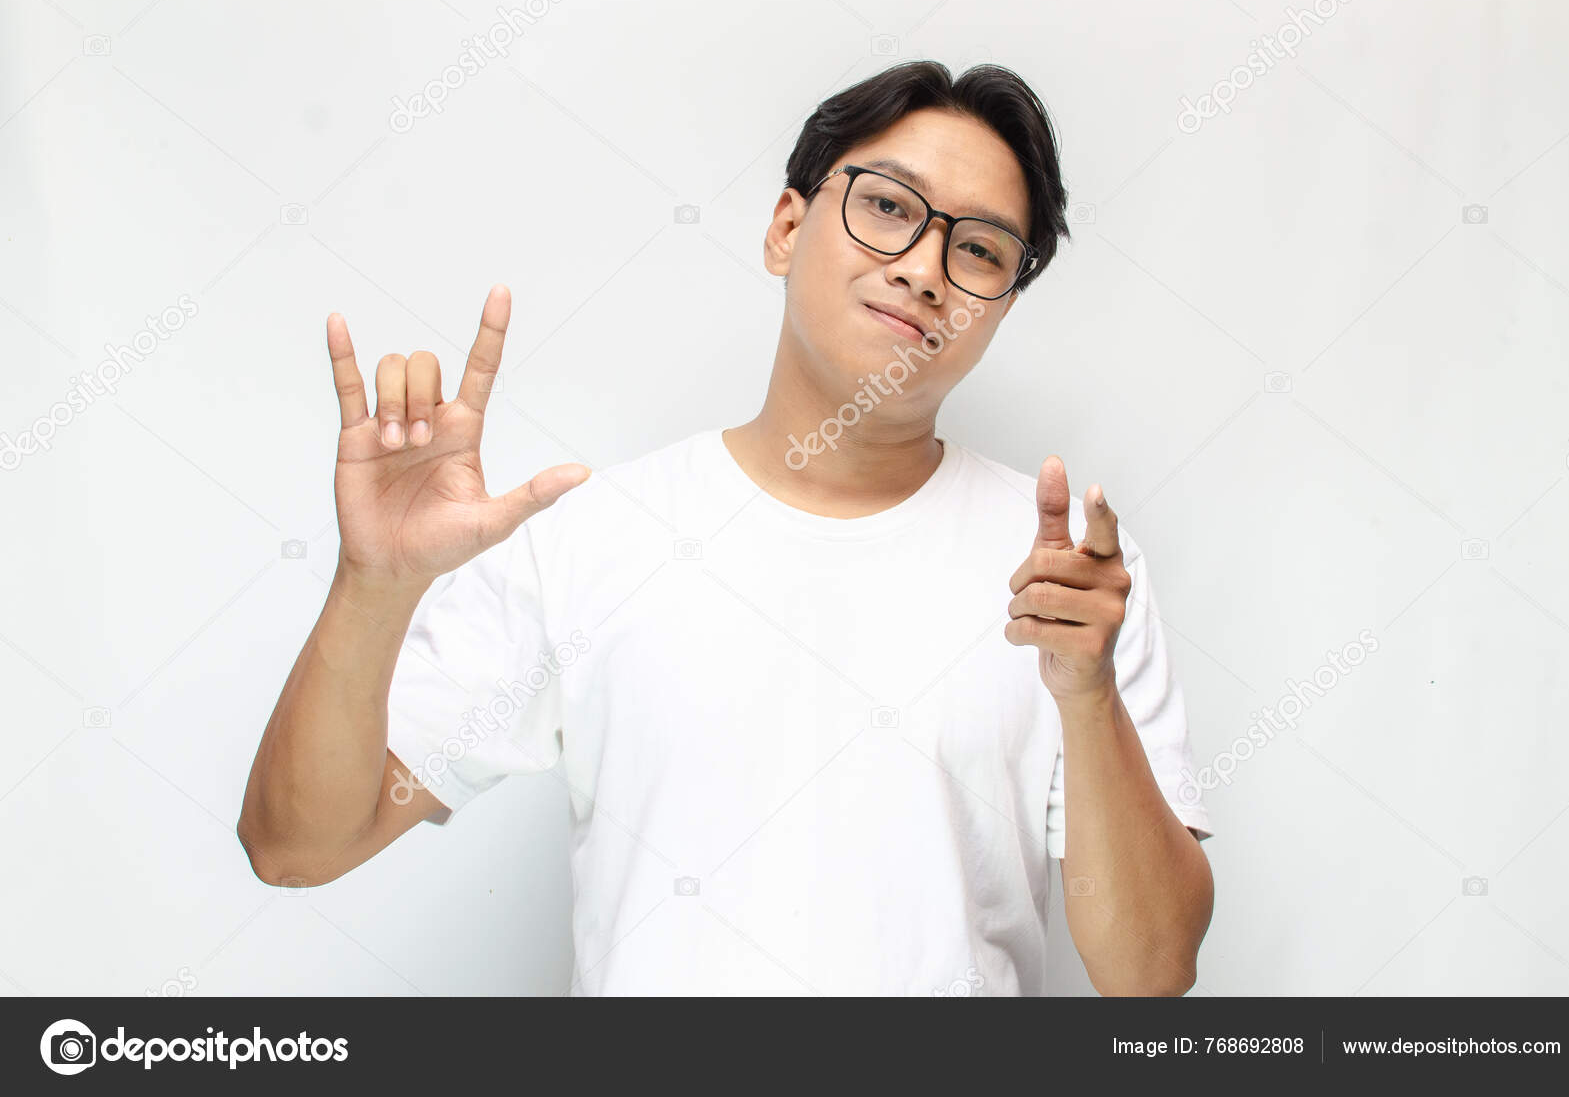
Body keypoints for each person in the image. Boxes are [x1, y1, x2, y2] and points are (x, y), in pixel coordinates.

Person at [237, 60, 1214, 997]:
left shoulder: (1069, 587)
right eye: (886, 206)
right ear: (786, 227)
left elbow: (1152, 970)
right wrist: (373, 585)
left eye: (980, 250)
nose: (924, 268)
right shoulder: (596, 540)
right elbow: (295, 844)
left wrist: (1086, 697)